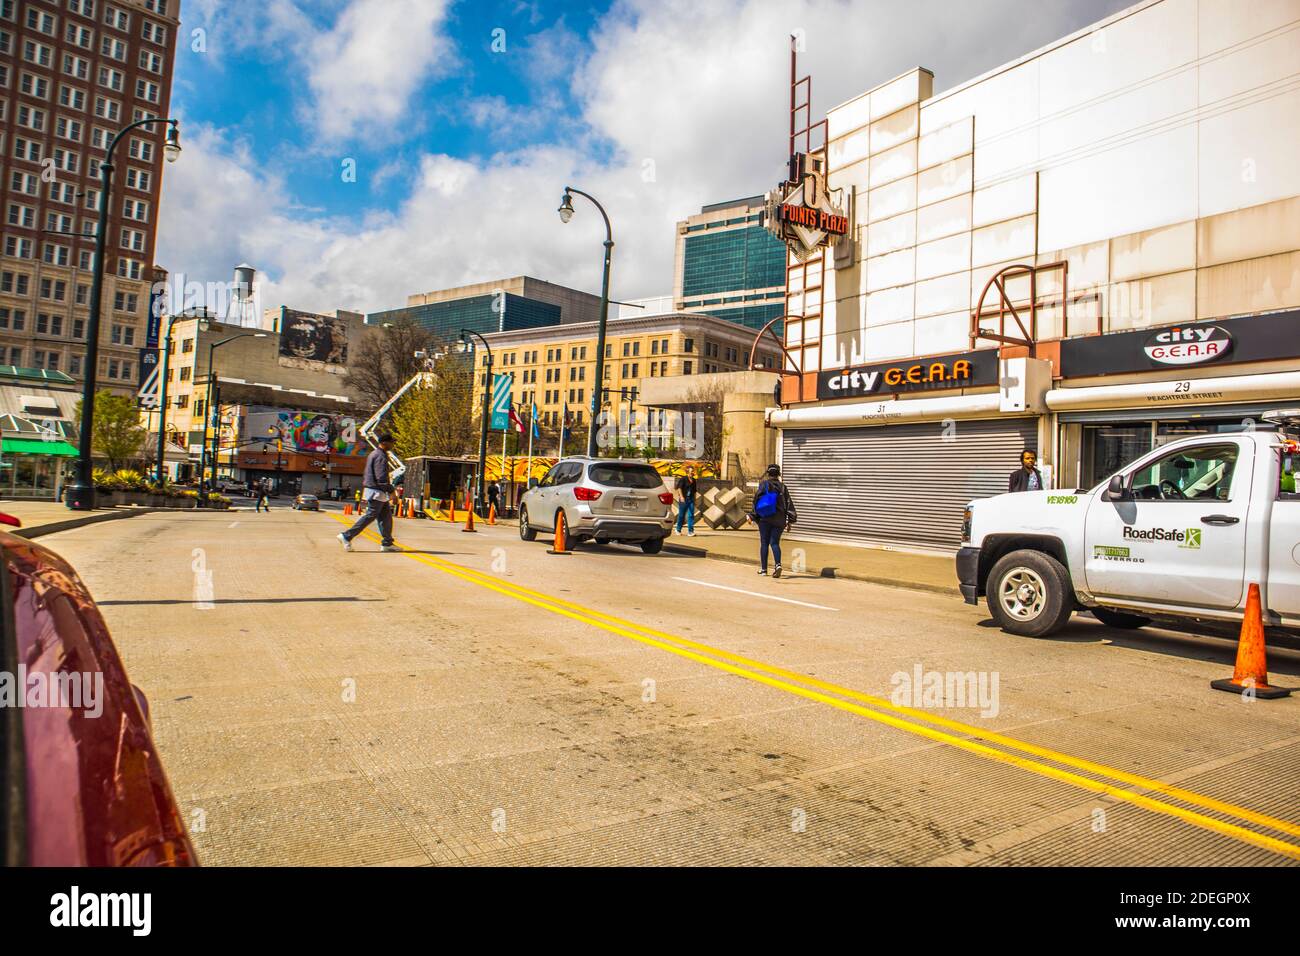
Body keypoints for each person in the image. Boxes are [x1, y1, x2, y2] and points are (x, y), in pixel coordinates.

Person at [338, 434, 401, 553]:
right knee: (370, 516)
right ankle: (346, 536)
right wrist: (392, 492)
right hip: (377, 491)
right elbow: (381, 478)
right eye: (391, 442)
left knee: (386, 518)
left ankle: (387, 543)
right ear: (384, 443)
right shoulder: (380, 456)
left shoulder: (374, 454)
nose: (393, 445)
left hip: (377, 491)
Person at [747, 464, 796, 578]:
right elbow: (789, 504)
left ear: (768, 474)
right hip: (779, 520)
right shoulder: (783, 487)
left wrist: (752, 516)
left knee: (764, 543)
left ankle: (764, 570)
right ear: (778, 474)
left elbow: (756, 501)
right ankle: (778, 565)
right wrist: (790, 521)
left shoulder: (764, 485)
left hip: (765, 518)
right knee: (774, 543)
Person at [673, 466, 698, 536]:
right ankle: (678, 529)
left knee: (691, 515)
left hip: (691, 499)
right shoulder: (683, 479)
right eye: (691, 471)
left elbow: (694, 491)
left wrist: (694, 499)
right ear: (687, 472)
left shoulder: (694, 480)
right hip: (683, 499)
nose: (692, 472)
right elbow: (679, 488)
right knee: (681, 515)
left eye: (693, 471)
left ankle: (690, 531)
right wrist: (681, 497)